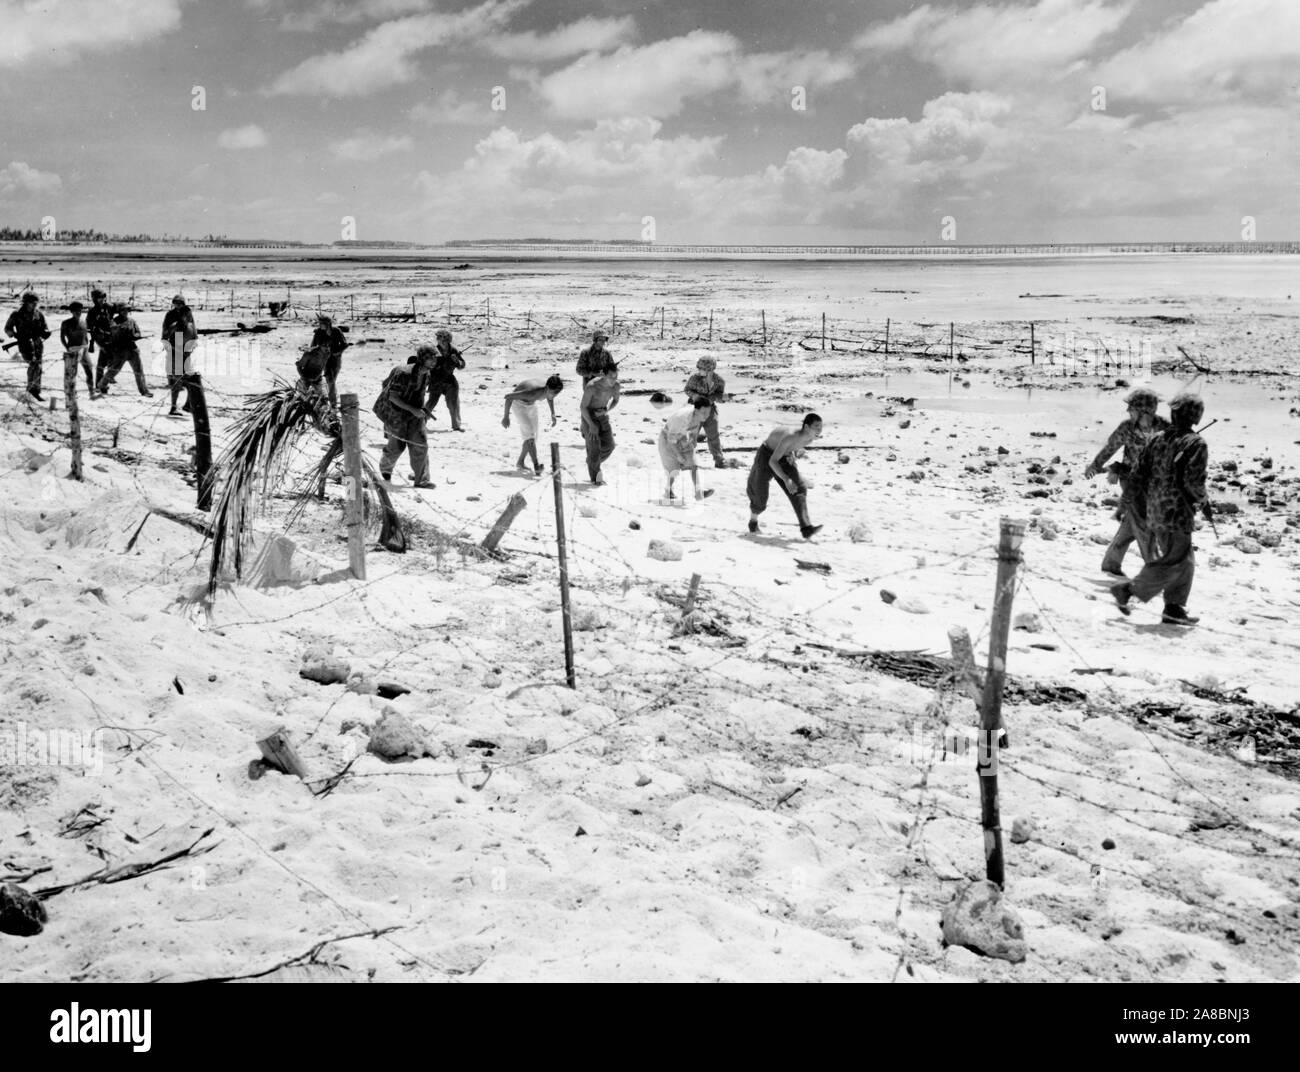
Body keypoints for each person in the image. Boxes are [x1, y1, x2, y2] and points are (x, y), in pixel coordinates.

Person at [1112, 393, 1209, 626]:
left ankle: (1174, 609)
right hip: (1177, 511)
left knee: (1184, 560)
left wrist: (1124, 503)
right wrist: (1203, 501)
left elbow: (1136, 476)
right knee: (1175, 561)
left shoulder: (1157, 439)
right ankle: (1128, 590)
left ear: (1175, 413)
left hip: (1154, 509)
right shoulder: (1196, 443)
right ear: (1196, 417)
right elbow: (1193, 482)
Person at [1083, 387, 1169, 576]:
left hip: (1155, 484)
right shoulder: (1126, 428)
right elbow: (1110, 448)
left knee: (1132, 524)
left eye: (1132, 409)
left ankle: (1111, 564)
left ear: (1144, 411)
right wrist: (1095, 465)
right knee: (1143, 523)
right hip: (1130, 481)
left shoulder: (1165, 428)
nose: (1128, 412)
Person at [747, 414, 824, 539]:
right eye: (816, 426)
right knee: (760, 496)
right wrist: (786, 479)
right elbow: (773, 461)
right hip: (766, 455)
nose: (819, 429)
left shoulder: (810, 439)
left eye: (821, 426)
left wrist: (793, 453)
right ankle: (753, 522)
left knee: (800, 488)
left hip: (783, 456)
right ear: (806, 427)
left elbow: (793, 447)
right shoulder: (791, 436)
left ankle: (806, 528)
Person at [374, 346, 438, 488]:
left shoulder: (427, 374)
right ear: (423, 359)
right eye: (430, 358)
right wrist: (412, 409)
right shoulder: (404, 373)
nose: (434, 361)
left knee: (420, 445)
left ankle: (421, 480)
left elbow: (419, 395)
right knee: (396, 446)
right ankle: (385, 470)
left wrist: (421, 411)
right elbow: (393, 397)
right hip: (396, 414)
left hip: (414, 415)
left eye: (435, 358)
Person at [502, 375, 563, 475]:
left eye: (556, 394)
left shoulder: (549, 390)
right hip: (519, 405)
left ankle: (520, 462)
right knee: (530, 435)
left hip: (531, 405)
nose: (553, 396)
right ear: (547, 388)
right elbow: (508, 397)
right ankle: (536, 466)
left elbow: (550, 398)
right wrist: (506, 417)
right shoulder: (532, 392)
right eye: (553, 393)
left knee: (532, 437)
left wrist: (552, 413)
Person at [658, 397, 714, 504]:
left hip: (682, 437)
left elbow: (694, 431)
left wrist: (692, 444)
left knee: (693, 464)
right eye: (704, 412)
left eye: (708, 412)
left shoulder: (698, 416)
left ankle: (698, 493)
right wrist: (679, 455)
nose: (707, 415)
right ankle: (668, 490)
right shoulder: (681, 418)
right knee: (673, 469)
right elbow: (671, 440)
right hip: (667, 438)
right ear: (696, 410)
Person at [97, 306, 152, 397]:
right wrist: (121, 331)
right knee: (114, 370)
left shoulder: (132, 321)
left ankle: (144, 391)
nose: (125, 312)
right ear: (119, 311)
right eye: (123, 310)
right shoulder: (114, 321)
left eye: (127, 310)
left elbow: (138, 332)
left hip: (132, 349)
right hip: (120, 350)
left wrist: (135, 335)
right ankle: (101, 385)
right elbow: (113, 333)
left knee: (139, 370)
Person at [684, 355, 728, 468]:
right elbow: (687, 389)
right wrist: (695, 396)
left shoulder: (719, 381)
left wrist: (714, 398)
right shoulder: (694, 378)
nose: (700, 371)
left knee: (714, 436)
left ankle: (719, 460)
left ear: (710, 369)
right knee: (691, 435)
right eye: (699, 368)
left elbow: (720, 395)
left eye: (702, 369)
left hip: (710, 410)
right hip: (695, 409)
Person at [5, 293, 50, 400]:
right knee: (34, 364)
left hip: (38, 344)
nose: (35, 305)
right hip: (24, 344)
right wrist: (13, 334)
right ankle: (31, 390)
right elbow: (7, 328)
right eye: (32, 303)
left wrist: (46, 333)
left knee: (38, 367)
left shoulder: (38, 314)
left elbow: (45, 328)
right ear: (26, 303)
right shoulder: (16, 314)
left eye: (36, 303)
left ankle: (35, 390)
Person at [580, 366, 620, 485]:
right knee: (594, 449)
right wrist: (591, 425)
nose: (613, 380)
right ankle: (596, 479)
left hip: (602, 414)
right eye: (610, 377)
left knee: (610, 446)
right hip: (589, 416)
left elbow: (616, 400)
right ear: (603, 374)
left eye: (615, 376)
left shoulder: (616, 386)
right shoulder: (592, 386)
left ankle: (592, 462)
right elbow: (583, 407)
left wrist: (606, 410)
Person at [162, 295, 198, 416]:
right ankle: (173, 407)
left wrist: (193, 342)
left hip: (186, 347)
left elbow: (193, 328)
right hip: (175, 346)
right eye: (176, 303)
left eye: (180, 303)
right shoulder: (170, 315)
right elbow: (165, 332)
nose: (178, 306)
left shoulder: (187, 313)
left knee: (193, 380)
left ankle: (188, 405)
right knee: (177, 381)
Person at [426, 329, 465, 431]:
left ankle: (456, 425)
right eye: (439, 338)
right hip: (436, 380)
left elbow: (461, 366)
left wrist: (457, 361)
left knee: (453, 403)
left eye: (444, 339)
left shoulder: (454, 351)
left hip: (449, 380)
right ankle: (419, 423)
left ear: (448, 340)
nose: (441, 341)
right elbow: (428, 365)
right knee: (431, 403)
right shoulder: (433, 351)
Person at [310, 314, 349, 409]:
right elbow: (313, 345)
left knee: (332, 381)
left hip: (335, 360)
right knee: (329, 381)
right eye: (319, 323)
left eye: (322, 323)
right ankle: (332, 404)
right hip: (324, 360)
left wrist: (338, 353)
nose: (320, 325)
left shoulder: (336, 331)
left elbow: (344, 344)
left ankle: (332, 403)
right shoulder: (318, 332)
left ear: (328, 324)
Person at [60, 301, 97, 398]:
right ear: (71, 312)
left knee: (89, 370)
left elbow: (86, 334)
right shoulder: (66, 323)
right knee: (72, 373)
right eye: (76, 311)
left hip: (84, 349)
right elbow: (62, 337)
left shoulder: (84, 322)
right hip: (73, 349)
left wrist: (88, 345)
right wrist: (67, 347)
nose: (78, 312)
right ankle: (72, 393)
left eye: (80, 311)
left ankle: (91, 391)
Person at [86, 289, 114, 388]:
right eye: (98, 298)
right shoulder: (92, 311)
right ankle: (102, 382)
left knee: (110, 358)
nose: (100, 300)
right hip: (100, 337)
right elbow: (89, 326)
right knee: (104, 359)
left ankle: (104, 380)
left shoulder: (110, 307)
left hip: (111, 336)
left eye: (102, 297)